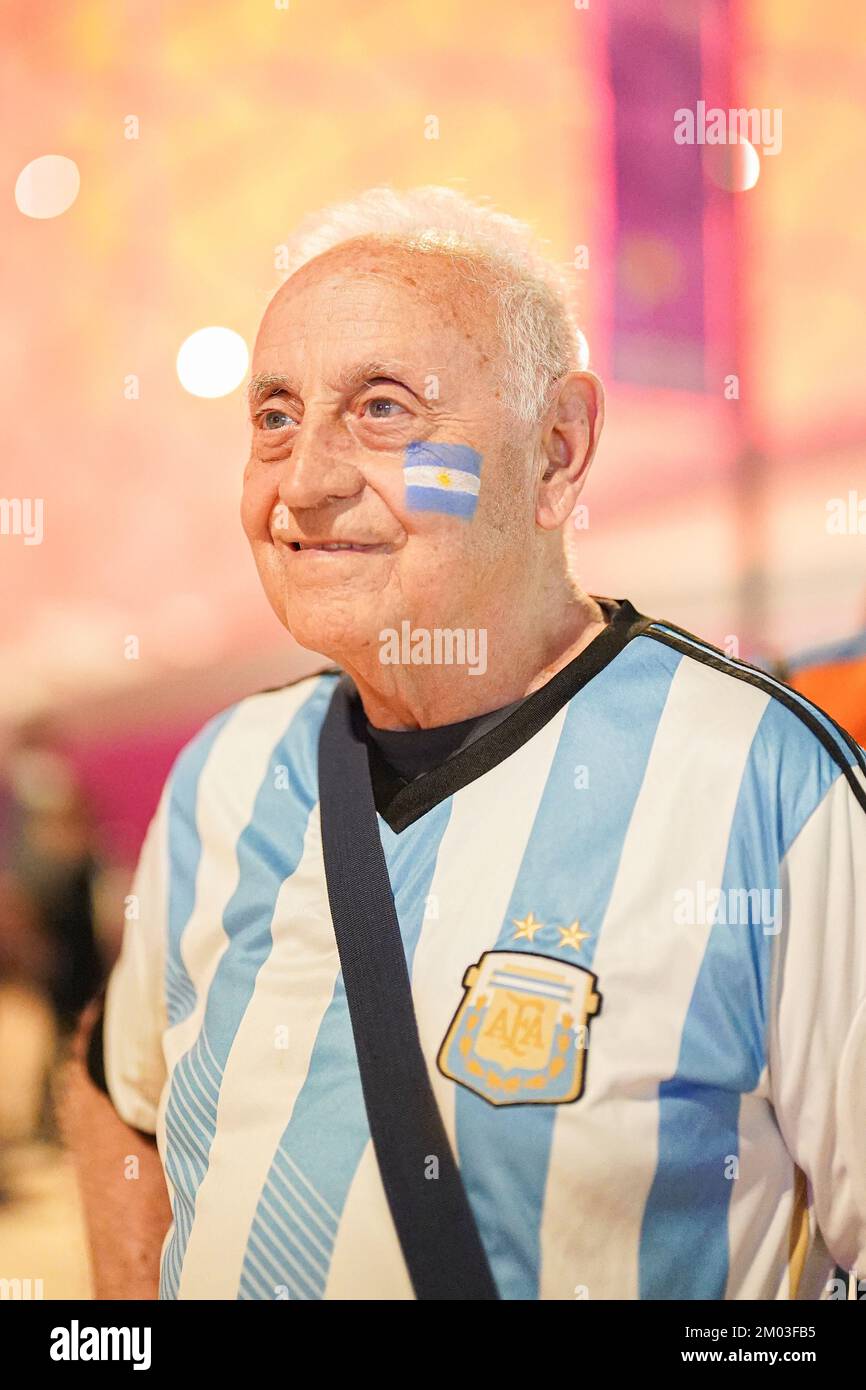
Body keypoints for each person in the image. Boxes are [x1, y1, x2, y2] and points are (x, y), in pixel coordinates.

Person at [64, 186, 866, 1301]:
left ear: (554, 448)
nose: (304, 482)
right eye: (275, 417)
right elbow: (121, 1090)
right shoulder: (227, 773)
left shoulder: (764, 788)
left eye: (384, 410)